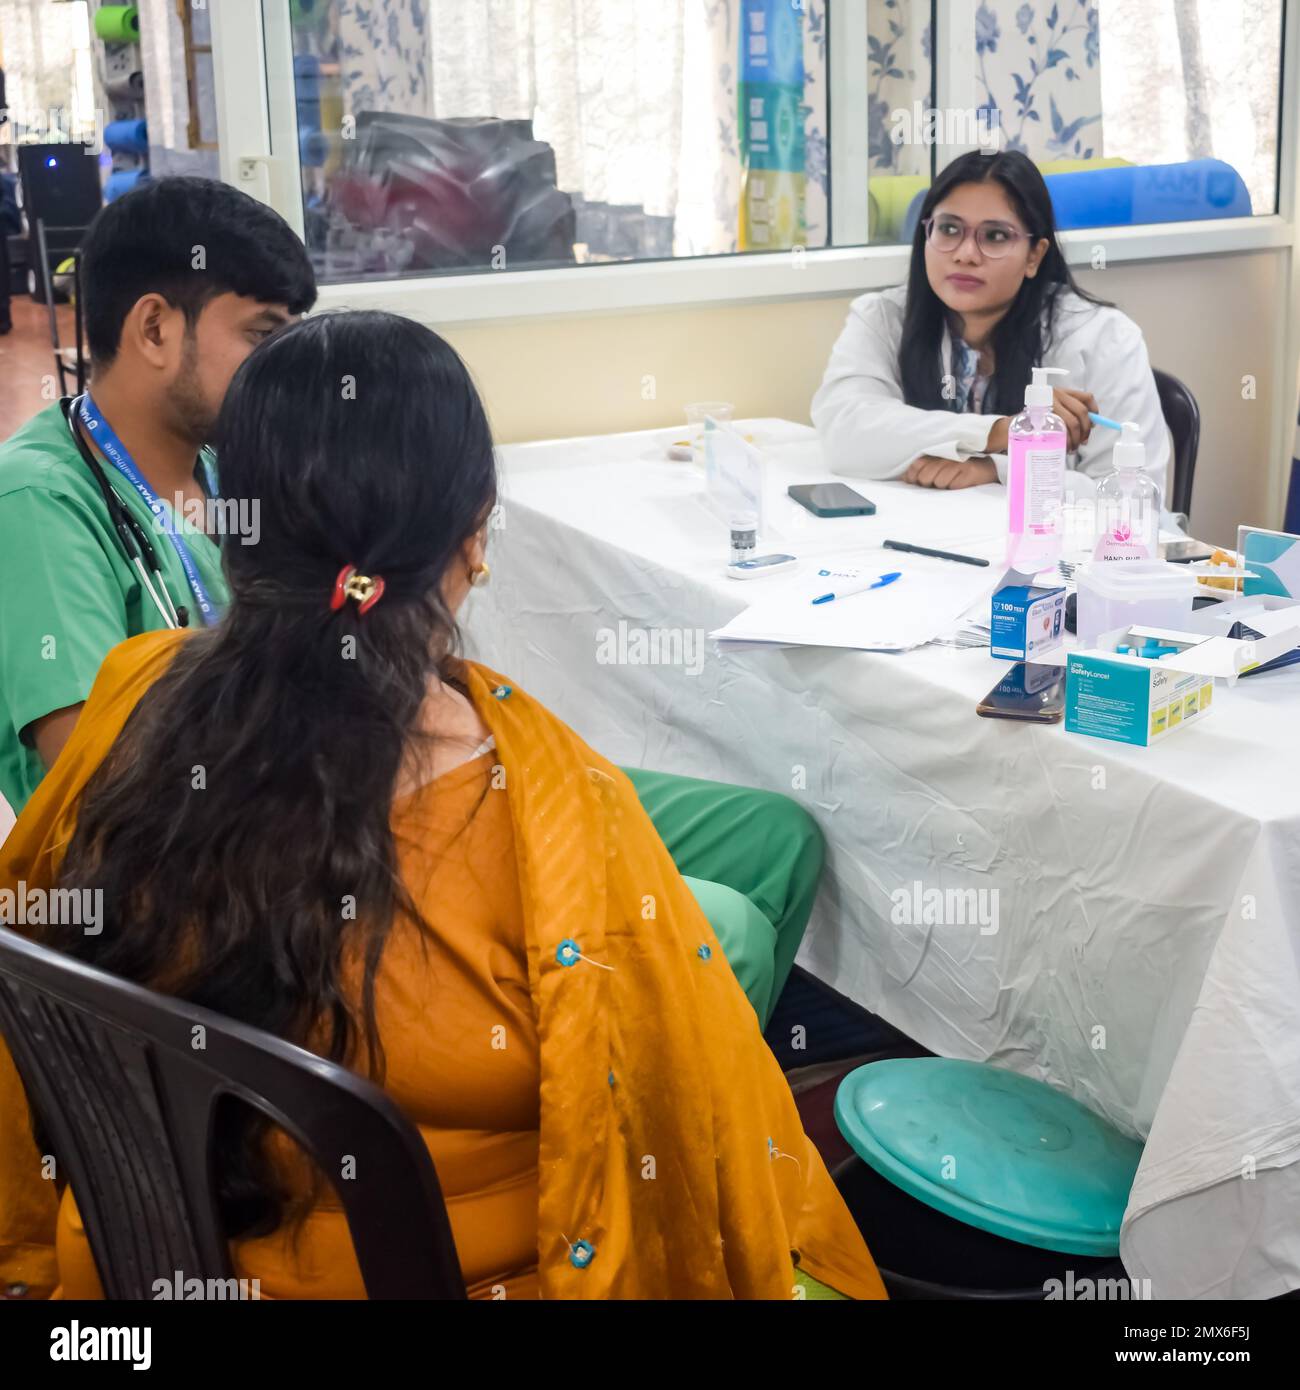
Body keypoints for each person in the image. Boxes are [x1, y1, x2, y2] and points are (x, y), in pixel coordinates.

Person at [0, 310, 886, 1301]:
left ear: (227, 514)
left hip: (147, 1267)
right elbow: (685, 1130)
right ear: (473, 534)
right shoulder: (556, 811)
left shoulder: (132, 698)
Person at [0, 176, 318, 818]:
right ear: (154, 329)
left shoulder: (229, 470)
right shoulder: (38, 501)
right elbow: (103, 777)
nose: (285, 368)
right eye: (263, 336)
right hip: (142, 892)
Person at [812, 149, 1170, 495]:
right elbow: (845, 430)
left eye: (995, 236)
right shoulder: (883, 316)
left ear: (1035, 255)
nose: (966, 254)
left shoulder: (1104, 339)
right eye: (949, 230)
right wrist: (1002, 432)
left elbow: (1129, 492)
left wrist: (997, 471)